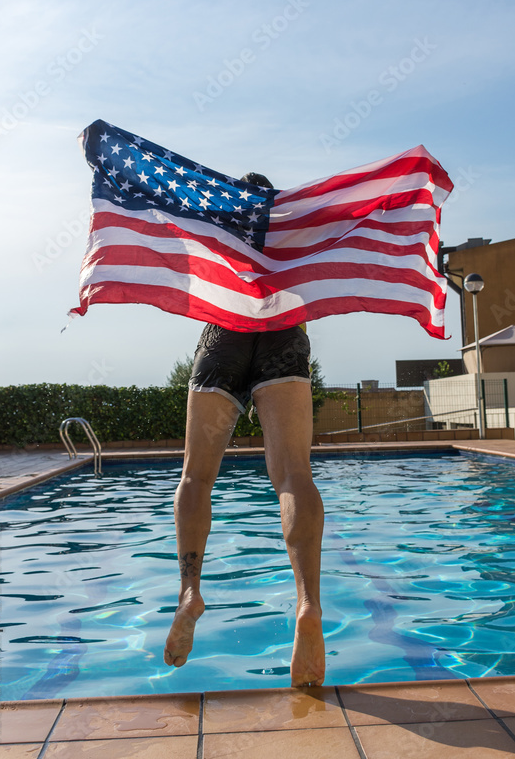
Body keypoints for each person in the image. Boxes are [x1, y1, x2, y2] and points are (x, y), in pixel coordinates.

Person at [163, 173, 326, 687]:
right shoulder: (289, 239)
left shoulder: (220, 228)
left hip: (223, 331)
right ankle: (308, 605)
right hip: (284, 329)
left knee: (196, 477)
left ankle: (190, 590)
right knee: (293, 475)